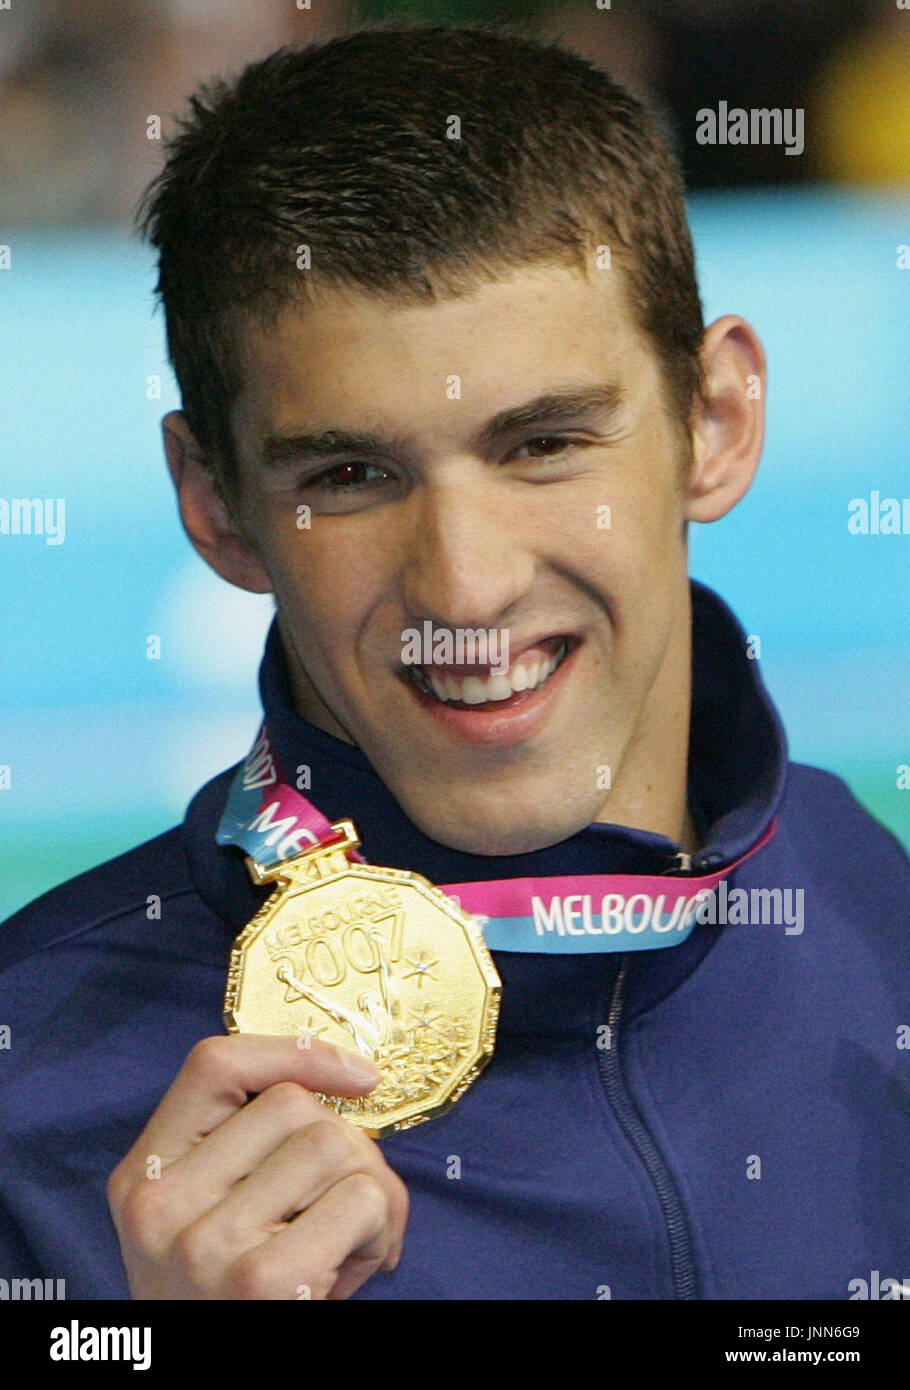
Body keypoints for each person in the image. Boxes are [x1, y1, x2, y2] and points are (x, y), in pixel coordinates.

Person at [1, 24, 908, 1303]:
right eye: (351, 476)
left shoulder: (873, 911)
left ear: (713, 423)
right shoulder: (34, 1099)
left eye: (542, 445)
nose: (465, 587)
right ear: (213, 504)